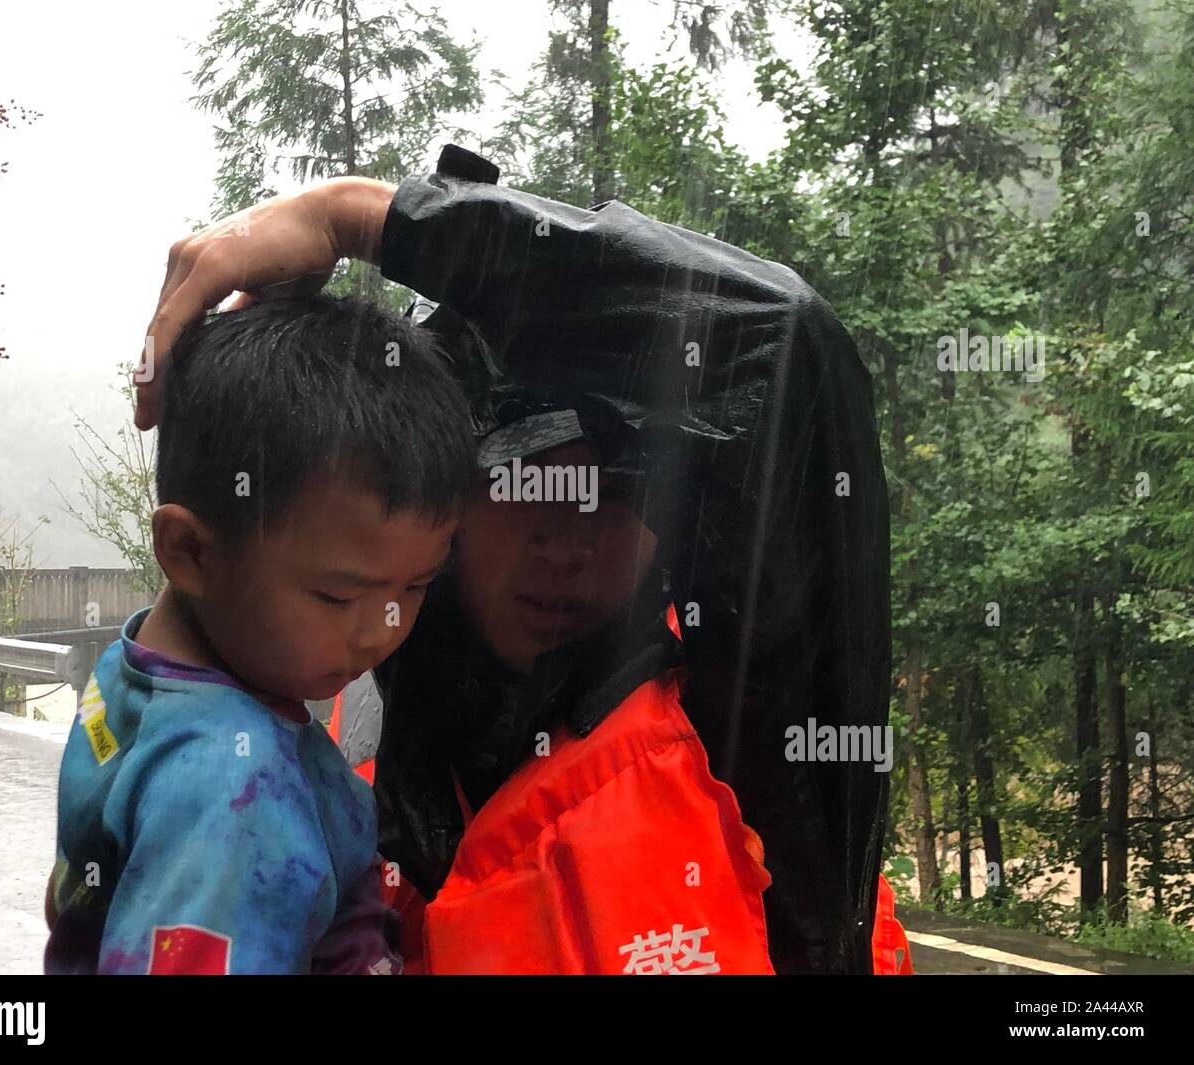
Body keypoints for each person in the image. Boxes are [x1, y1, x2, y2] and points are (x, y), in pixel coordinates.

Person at [135, 145, 912, 975]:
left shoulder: (741, 731)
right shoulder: (341, 702)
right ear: (446, 504)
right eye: (523, 477)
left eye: (621, 488)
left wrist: (362, 219)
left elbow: (789, 348)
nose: (571, 539)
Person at [44, 293, 476, 974]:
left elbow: (72, 893)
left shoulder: (138, 671)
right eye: (339, 595)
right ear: (189, 552)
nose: (381, 632)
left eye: (416, 586)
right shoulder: (232, 794)